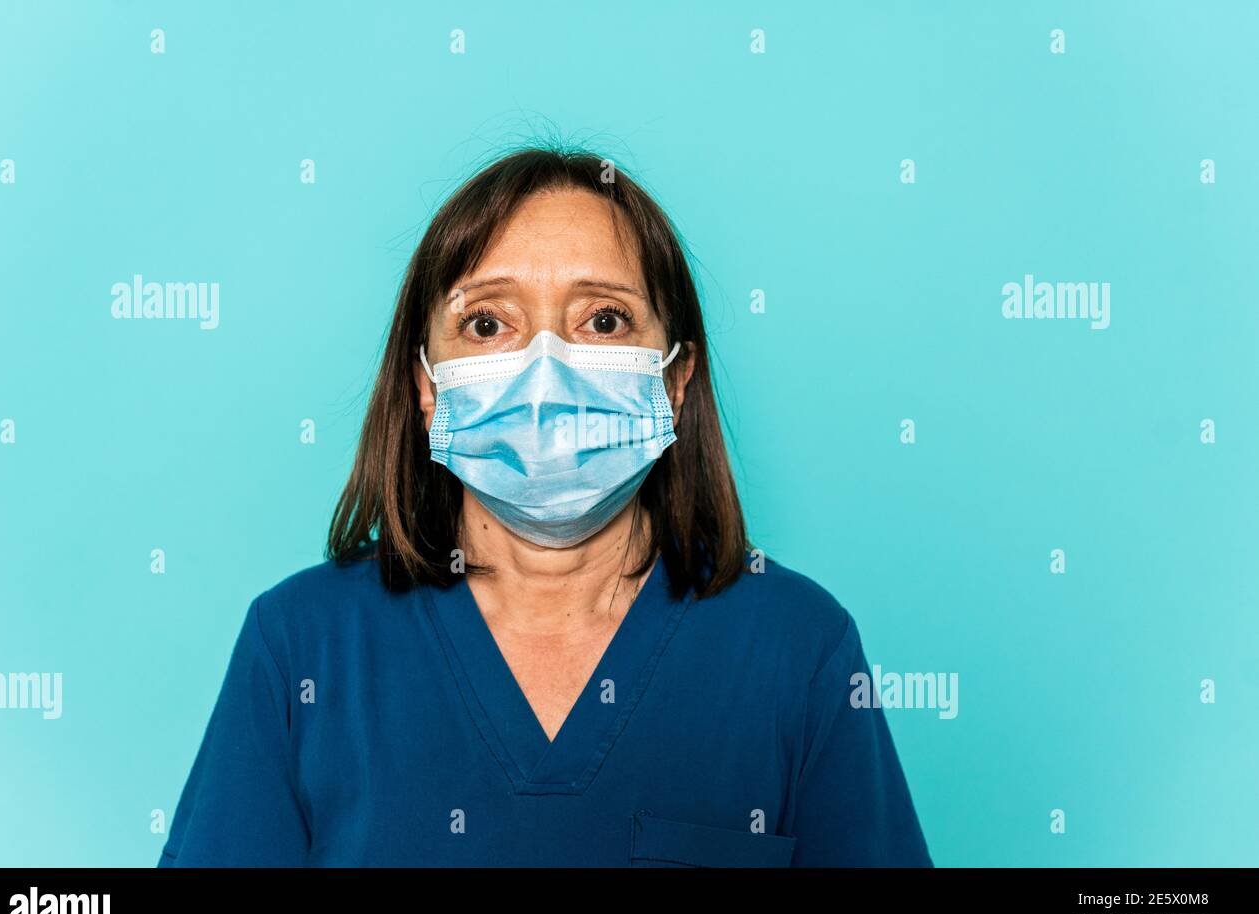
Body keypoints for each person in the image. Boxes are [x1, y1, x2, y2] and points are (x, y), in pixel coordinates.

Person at [158, 147, 933, 867]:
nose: (545, 366)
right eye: (488, 323)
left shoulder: (797, 648)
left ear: (675, 377)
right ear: (427, 386)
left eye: (603, 319)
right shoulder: (302, 647)